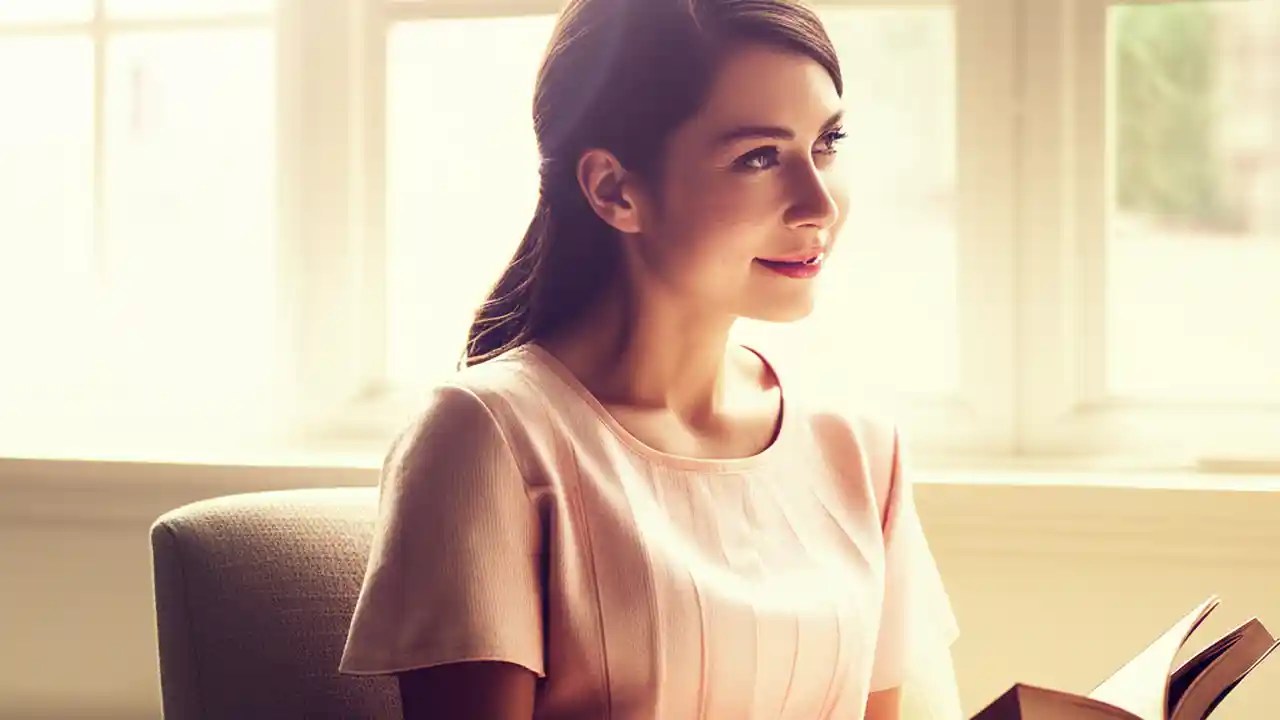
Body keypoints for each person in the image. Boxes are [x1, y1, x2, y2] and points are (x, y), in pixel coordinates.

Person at [338, 0, 961, 717]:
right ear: (614, 188)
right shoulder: (485, 438)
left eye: (826, 143)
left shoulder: (859, 446)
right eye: (759, 157)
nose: (818, 204)